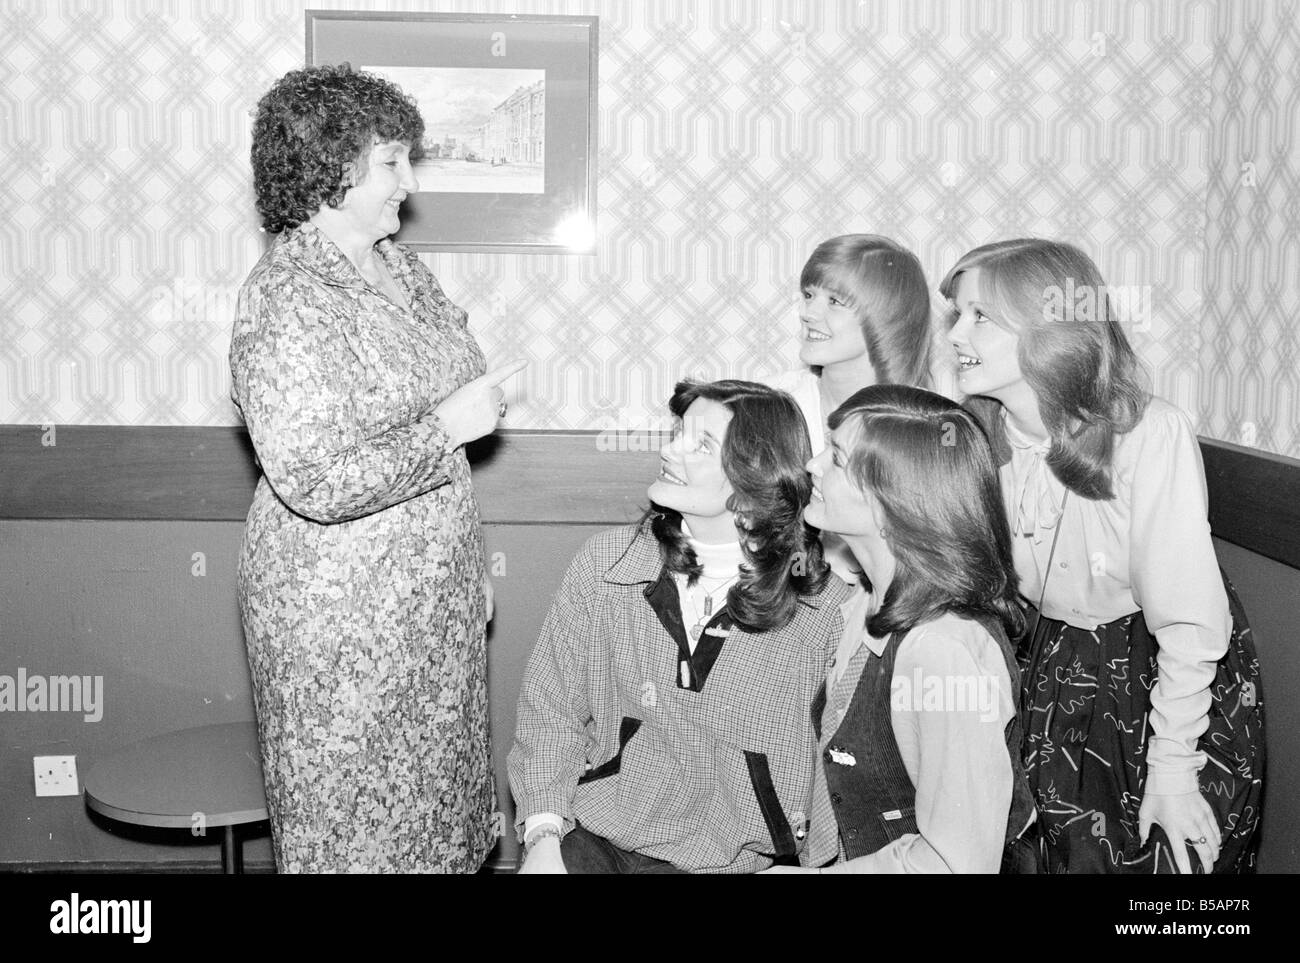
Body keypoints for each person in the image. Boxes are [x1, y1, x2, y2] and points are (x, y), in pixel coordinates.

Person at [229, 63, 524, 872]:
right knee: (354, 835)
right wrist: (446, 427)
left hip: (432, 603)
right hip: (339, 618)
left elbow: (448, 402)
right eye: (391, 160)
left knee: (439, 823)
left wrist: (463, 566)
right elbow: (313, 477)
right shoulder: (284, 295)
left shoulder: (400, 266)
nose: (408, 180)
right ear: (331, 167)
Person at [942, 238, 1265, 873]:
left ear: (1049, 327)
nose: (955, 333)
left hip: (1164, 681)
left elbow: (1189, 624)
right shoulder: (971, 437)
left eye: (979, 314)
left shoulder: (1148, 434)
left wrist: (1172, 768)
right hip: (1053, 669)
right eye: (956, 312)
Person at [508, 380, 850, 873]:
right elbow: (549, 709)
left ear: (757, 479)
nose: (669, 450)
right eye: (678, 433)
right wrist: (542, 836)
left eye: (701, 444)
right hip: (602, 835)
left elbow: (839, 771)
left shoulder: (825, 614)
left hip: (743, 864)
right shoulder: (608, 564)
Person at [767, 385, 1035, 873]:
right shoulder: (866, 604)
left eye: (838, 458)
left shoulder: (942, 649)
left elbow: (957, 864)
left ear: (895, 500)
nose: (812, 466)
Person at [769, 234, 954, 581]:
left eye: (835, 301)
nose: (808, 313)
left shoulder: (927, 425)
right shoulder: (769, 403)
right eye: (809, 295)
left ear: (886, 316)